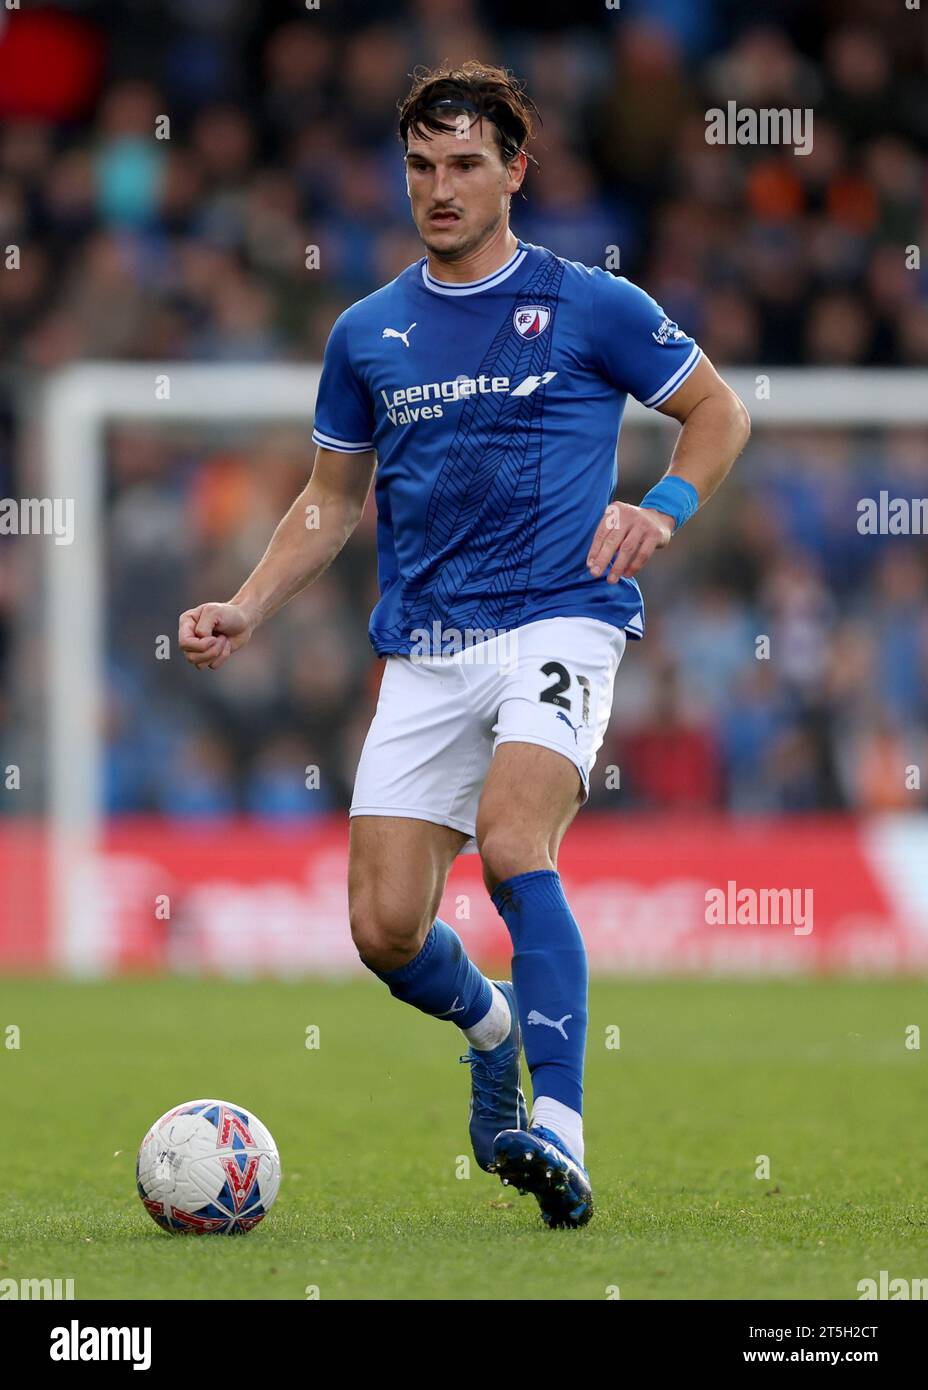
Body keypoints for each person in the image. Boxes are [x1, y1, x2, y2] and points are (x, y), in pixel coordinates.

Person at [178, 61, 750, 1229]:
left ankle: (562, 1127)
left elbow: (717, 412)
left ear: (514, 172)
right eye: (421, 167)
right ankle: (491, 1031)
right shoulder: (367, 330)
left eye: (464, 166)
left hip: (560, 613)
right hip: (427, 647)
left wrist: (661, 508)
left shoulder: (592, 302)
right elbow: (331, 501)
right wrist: (247, 602)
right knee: (385, 929)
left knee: (510, 840)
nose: (439, 188)